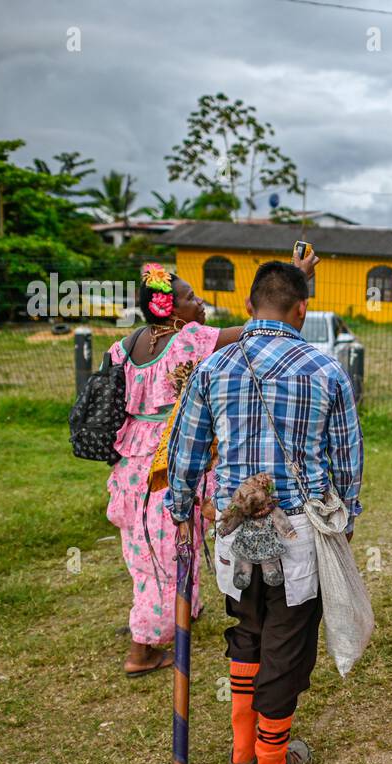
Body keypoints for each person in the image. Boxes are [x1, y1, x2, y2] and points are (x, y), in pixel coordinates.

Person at [166, 251, 364, 764]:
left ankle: (242, 749)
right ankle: (271, 763)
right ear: (302, 309)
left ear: (249, 305)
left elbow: (186, 451)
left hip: (232, 531)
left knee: (247, 628)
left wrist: (181, 512)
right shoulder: (326, 369)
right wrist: (346, 517)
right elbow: (347, 459)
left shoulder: (212, 367)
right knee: (287, 640)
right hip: (300, 531)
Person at [106, 264, 245, 677]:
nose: (199, 302)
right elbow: (256, 329)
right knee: (168, 554)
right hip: (169, 463)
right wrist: (294, 278)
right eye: (190, 297)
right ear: (169, 309)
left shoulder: (124, 346)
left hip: (131, 465)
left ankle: (180, 610)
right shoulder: (189, 339)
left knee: (145, 551)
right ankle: (142, 651)